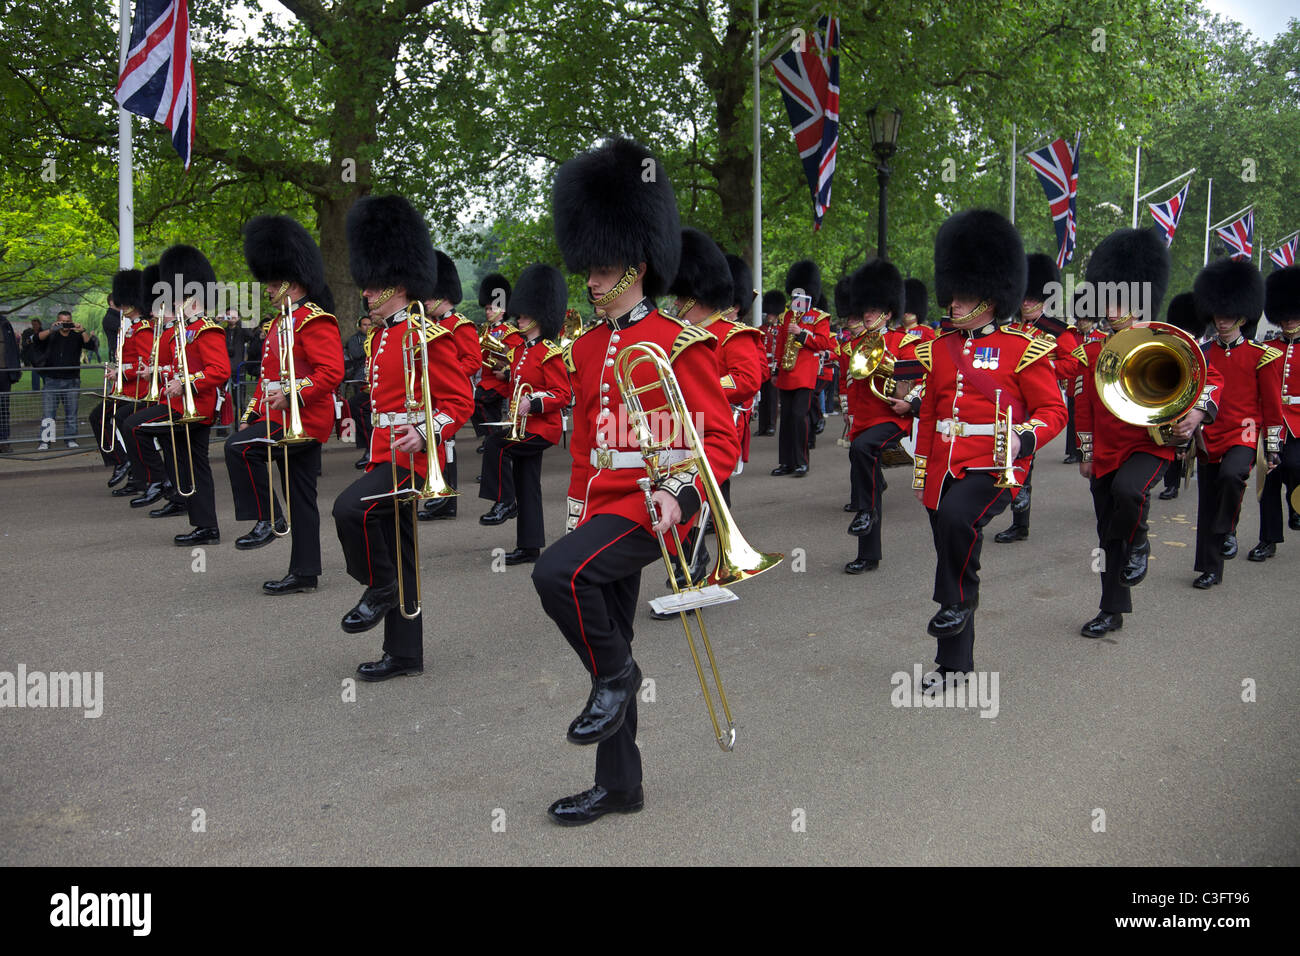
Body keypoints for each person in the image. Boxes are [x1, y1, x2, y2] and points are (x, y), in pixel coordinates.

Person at [531, 137, 740, 826]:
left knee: (558, 577)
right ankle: (621, 784)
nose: (591, 282)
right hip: (604, 506)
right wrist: (573, 505)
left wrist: (678, 495)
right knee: (606, 629)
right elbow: (589, 442)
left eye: (605, 269)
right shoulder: (591, 346)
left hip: (654, 508)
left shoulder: (684, 343)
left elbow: (718, 440)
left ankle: (621, 678)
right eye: (589, 269)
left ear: (638, 266)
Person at [912, 209, 1066, 687]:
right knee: (954, 552)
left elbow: (1053, 411)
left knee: (960, 525)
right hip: (944, 467)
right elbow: (934, 412)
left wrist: (1024, 438)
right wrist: (922, 466)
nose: (952, 303)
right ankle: (953, 666)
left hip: (994, 466)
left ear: (987, 296)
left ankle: (954, 603)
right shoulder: (938, 349)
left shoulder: (1024, 348)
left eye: (961, 296)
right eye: (952, 294)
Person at [331, 194, 474, 681]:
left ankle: (379, 587)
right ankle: (404, 652)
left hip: (412, 459)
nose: (364, 295)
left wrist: (424, 430)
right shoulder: (381, 336)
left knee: (349, 509)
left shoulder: (426, 336)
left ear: (392, 284)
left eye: (370, 288)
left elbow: (458, 403)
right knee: (400, 550)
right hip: (382, 453)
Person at [1072, 229, 1218, 636]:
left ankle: (1140, 541)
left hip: (1151, 445)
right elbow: (1083, 406)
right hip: (1105, 450)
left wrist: (1199, 414)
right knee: (1106, 532)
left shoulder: (1163, 339)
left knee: (1129, 493)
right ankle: (1111, 609)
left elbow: (1210, 377)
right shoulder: (1093, 350)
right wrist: (1085, 452)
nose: (1112, 307)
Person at [225, 215, 345, 595]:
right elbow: (266, 377)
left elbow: (332, 372)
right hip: (278, 416)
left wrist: (293, 392)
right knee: (302, 497)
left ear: (291, 283)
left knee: (239, 450)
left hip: (305, 419)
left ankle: (269, 518)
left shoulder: (315, 320)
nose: (268, 289)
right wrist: (251, 414)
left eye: (273, 283)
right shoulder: (278, 324)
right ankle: (305, 572)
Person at [1190, 257, 1283, 589]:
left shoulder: (1262, 356)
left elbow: (1272, 406)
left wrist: (1272, 448)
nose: (1222, 321)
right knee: (1207, 502)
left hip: (1243, 432)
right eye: (1218, 315)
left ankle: (1228, 528)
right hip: (1208, 433)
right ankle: (1210, 568)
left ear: (1243, 317)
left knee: (1232, 477)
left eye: (1229, 316)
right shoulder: (1201, 352)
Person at [476, 263, 571, 563]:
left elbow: (563, 393)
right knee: (528, 482)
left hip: (542, 428)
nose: (519, 318)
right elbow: (514, 386)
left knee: (495, 445)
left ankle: (505, 502)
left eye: (525, 315)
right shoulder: (519, 351)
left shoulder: (549, 352)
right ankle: (529, 546)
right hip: (523, 424)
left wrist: (535, 402)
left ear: (539, 317)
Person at [993, 253, 1086, 543]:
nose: (1027, 303)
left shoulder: (1059, 331)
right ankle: (1015, 511)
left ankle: (1020, 519)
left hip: (1039, 401)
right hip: (1009, 401)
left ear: (1044, 299)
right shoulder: (1009, 330)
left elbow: (1075, 363)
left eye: (1033, 298)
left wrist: (1044, 369)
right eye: (1025, 297)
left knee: (1025, 455)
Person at [145, 246, 232, 544]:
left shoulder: (206, 329)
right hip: (181, 405)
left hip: (199, 406)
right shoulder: (183, 331)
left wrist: (188, 384)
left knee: (193, 464)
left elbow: (220, 371)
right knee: (190, 465)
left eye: (179, 298)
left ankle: (199, 518)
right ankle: (203, 525)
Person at [841, 258, 916, 574]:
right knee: (862, 465)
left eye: (872, 311)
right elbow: (849, 383)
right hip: (863, 420)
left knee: (862, 452)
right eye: (864, 311)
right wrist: (848, 414)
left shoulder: (904, 342)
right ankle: (868, 554)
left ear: (887, 312)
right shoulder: (854, 345)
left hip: (893, 416)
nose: (866, 316)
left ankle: (866, 508)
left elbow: (915, 382)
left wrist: (909, 402)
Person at [418, 251, 482, 520]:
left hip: (450, 396)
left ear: (443, 298)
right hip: (433, 396)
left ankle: (448, 500)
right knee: (439, 446)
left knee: (448, 447)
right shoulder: (431, 325)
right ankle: (441, 494)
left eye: (430, 298)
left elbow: (473, 360)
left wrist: (447, 375)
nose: (426, 302)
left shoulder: (459, 325)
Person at [1248, 267, 1300, 561]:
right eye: (1286, 316)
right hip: (1272, 423)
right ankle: (1268, 539)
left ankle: (1296, 505)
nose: (1289, 321)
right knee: (1269, 479)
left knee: (1295, 465)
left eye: (1294, 315)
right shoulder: (1267, 349)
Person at [87, 269, 147, 487]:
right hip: (127, 388)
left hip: (139, 390)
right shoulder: (132, 329)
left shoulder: (143, 329)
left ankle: (128, 465)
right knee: (100, 417)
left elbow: (145, 365)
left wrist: (121, 372)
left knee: (113, 419)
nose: (122, 308)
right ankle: (127, 465)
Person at [771, 261, 831, 476]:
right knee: (786, 418)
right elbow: (779, 344)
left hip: (805, 374)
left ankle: (801, 461)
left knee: (799, 416)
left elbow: (824, 343)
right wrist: (776, 370)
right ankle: (786, 462)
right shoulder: (787, 316)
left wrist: (802, 333)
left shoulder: (819, 317)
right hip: (786, 373)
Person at [472, 273, 519, 445]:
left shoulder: (509, 332)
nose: (487, 312)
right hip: (485, 380)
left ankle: (493, 438)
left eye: (491, 308)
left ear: (502, 309)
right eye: (486, 309)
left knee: (477, 402)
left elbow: (517, 357)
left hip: (498, 382)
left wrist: (505, 371)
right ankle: (491, 440)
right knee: (491, 415)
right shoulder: (485, 331)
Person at [36, 310, 91, 449]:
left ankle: (70, 438)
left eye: (68, 322)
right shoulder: (52, 334)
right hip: (52, 379)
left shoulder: (76, 336)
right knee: (49, 413)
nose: (65, 325)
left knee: (71, 412)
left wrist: (82, 330)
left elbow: (90, 345)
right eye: (62, 322)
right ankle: (46, 441)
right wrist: (51, 329)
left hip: (71, 379)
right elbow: (37, 339)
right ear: (57, 321)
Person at [342, 313, 374, 468]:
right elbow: (356, 354)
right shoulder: (356, 339)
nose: (368, 328)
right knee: (357, 407)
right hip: (362, 377)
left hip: (378, 378)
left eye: (370, 324)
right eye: (365, 325)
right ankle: (369, 449)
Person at [755, 290, 783, 435]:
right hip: (762, 368)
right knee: (762, 399)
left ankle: (771, 425)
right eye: (768, 314)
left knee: (772, 399)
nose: (769, 317)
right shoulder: (761, 330)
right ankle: (762, 426)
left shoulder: (780, 330)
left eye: (772, 315)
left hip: (773, 368)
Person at [0, 310, 20, 452]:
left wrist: (14, 370)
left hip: (4, 372)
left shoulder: (5, 324)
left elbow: (13, 348)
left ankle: (3, 440)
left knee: (3, 408)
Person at [21, 318, 46, 391]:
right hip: (32, 356)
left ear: (40, 324)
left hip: (42, 356)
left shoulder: (43, 332)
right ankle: (35, 389)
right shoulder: (27, 333)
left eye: (36, 324)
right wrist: (28, 342)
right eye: (33, 324)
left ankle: (46, 387)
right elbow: (24, 344)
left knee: (44, 372)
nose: (34, 326)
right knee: (35, 372)